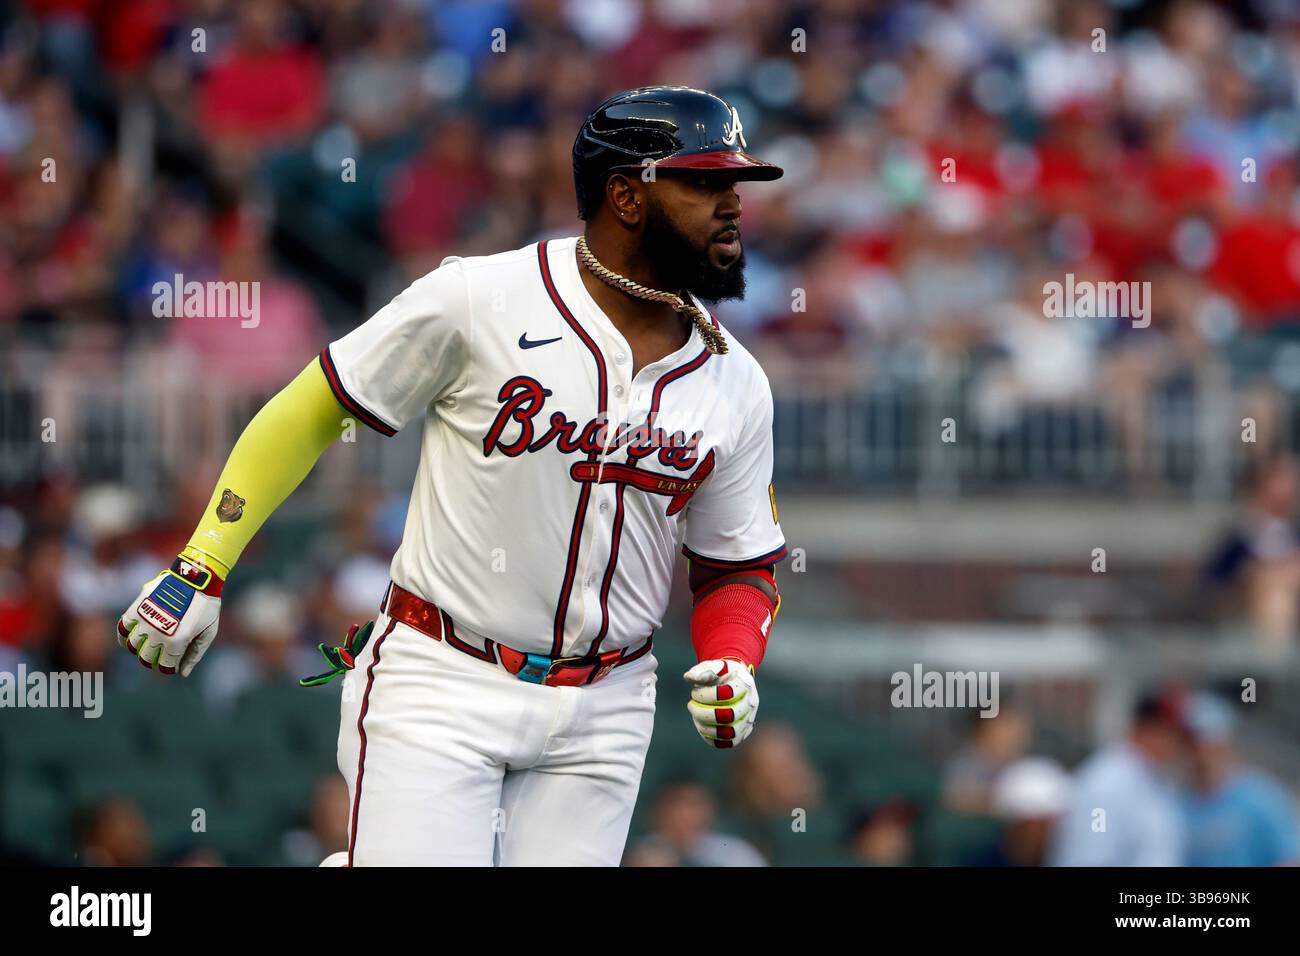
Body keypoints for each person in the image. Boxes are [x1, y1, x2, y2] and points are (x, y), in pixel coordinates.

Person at [114, 87, 788, 866]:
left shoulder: (737, 383)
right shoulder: (482, 297)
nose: (732, 204)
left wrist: (735, 655)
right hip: (445, 675)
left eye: (735, 185)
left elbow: (738, 563)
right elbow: (311, 410)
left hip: (608, 706)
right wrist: (203, 563)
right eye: (704, 183)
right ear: (627, 196)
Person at [1049, 688, 1189, 867]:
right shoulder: (1104, 785)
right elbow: (1089, 858)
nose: (1179, 745)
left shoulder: (1154, 779)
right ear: (1148, 728)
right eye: (1173, 733)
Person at [1181, 693, 1299, 867]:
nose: (1199, 751)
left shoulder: (1260, 798)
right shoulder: (1176, 804)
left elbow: (1289, 857)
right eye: (1190, 741)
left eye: (1204, 740)